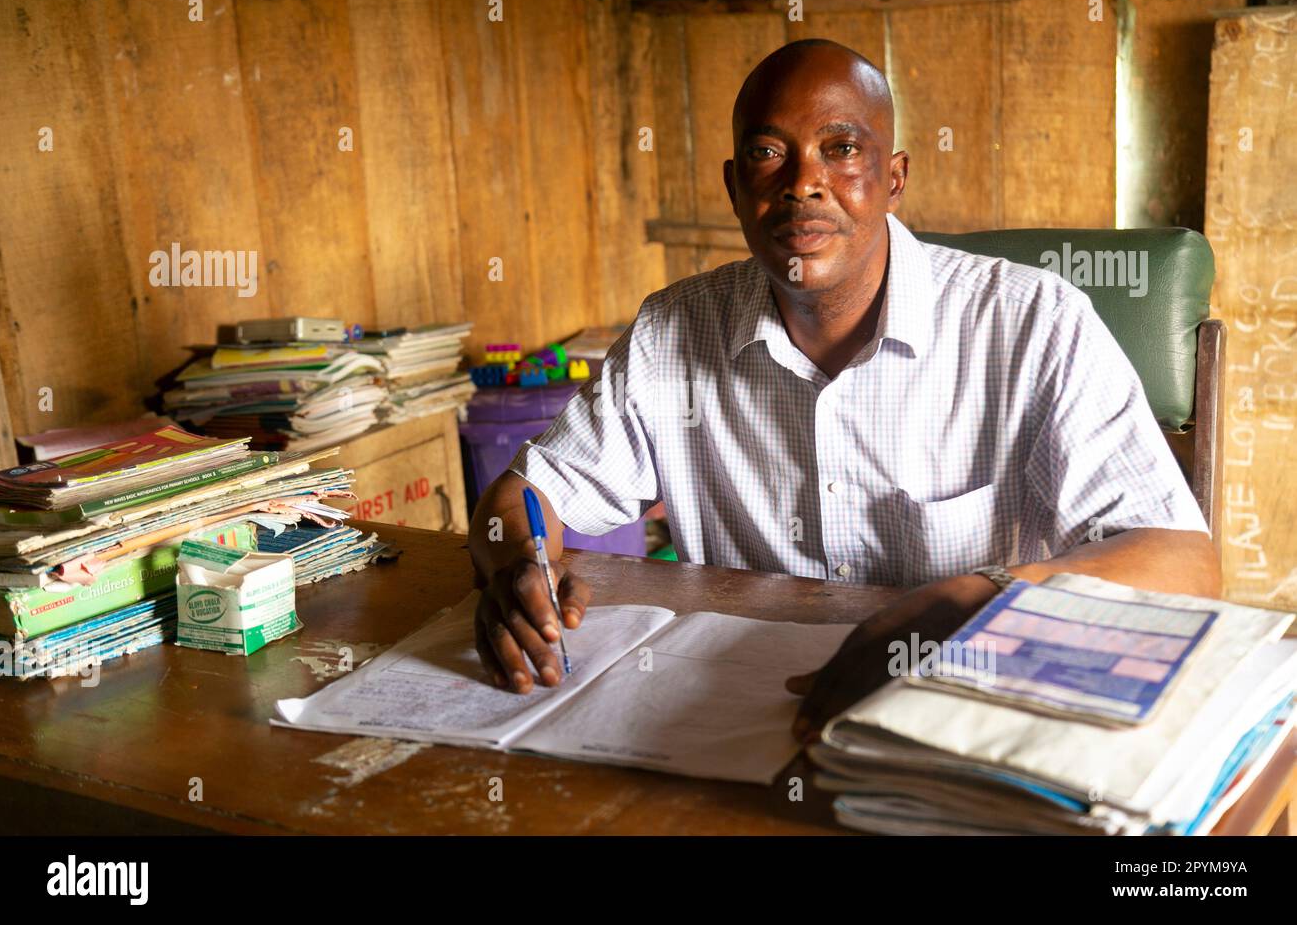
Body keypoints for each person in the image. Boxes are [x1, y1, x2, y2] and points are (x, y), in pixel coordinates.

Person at [466, 39, 1219, 738]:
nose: (804, 185)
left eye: (841, 149)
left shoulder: (1031, 323)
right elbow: (527, 492)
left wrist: (973, 597)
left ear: (893, 179)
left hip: (960, 711)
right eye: (769, 153)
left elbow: (1183, 565)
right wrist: (517, 562)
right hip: (738, 716)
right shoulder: (674, 332)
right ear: (735, 187)